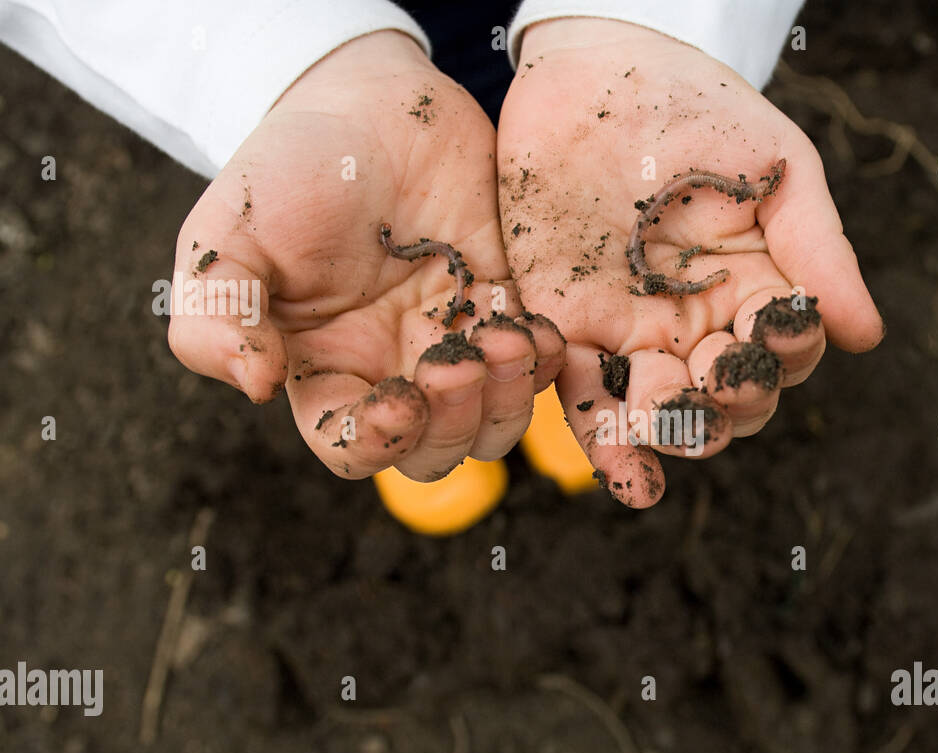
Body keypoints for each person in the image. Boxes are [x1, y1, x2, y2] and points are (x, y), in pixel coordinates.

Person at [1, 0, 882, 528]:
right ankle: (487, 395)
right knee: (429, 236)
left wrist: (636, 17)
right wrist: (297, 62)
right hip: (340, 78)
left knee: (550, 204)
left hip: (605, 67)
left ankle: (567, 355)